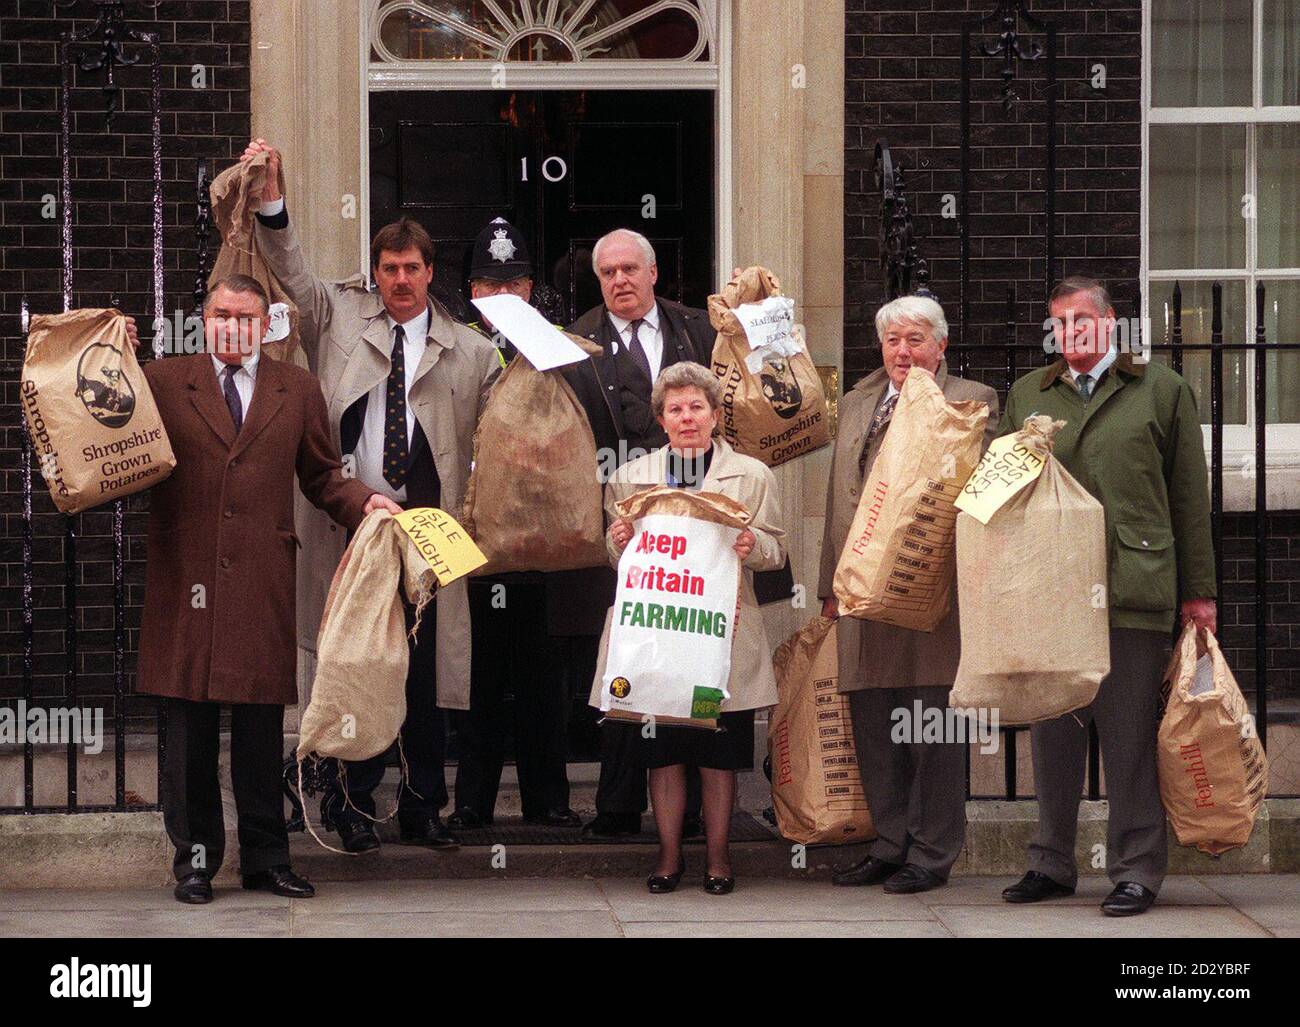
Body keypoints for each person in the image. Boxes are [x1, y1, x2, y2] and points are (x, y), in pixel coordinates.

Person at [242, 139, 500, 854]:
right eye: (388, 269)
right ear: (377, 274)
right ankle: (351, 806)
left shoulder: (471, 349)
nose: (400, 281)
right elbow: (289, 266)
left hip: (427, 535)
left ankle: (422, 807)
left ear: (430, 273)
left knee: (419, 674)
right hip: (349, 526)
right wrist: (271, 198)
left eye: (411, 269)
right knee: (355, 662)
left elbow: (497, 442)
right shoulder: (337, 318)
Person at [135, 275, 397, 904]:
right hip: (187, 581)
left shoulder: (297, 388)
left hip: (260, 580)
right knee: (190, 733)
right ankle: (194, 864)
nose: (232, 327)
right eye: (221, 315)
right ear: (205, 319)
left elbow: (323, 476)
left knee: (258, 731)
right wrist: (109, 346)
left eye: (245, 318)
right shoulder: (163, 380)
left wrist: (368, 503)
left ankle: (267, 860)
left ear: (265, 325)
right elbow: (106, 427)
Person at [999, 276, 1216, 916]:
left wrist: (1198, 591)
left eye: (1081, 320)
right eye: (1060, 323)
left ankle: (1138, 869)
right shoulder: (1027, 395)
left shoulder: (1162, 390)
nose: (1071, 333)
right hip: (1051, 591)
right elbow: (1000, 492)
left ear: (1111, 323)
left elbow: (1189, 500)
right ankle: (1050, 861)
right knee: (1054, 735)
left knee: (1127, 738)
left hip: (1133, 587)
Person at [818, 294, 998, 895]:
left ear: (941, 345)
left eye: (916, 339)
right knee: (874, 720)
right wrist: (827, 589)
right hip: (860, 592)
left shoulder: (972, 401)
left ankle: (932, 850)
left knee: (932, 727)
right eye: (893, 340)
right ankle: (891, 842)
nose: (903, 351)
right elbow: (836, 503)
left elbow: (979, 497)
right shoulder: (855, 402)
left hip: (929, 591)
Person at [596, 361, 786, 894]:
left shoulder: (751, 475)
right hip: (661, 643)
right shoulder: (630, 476)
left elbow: (777, 549)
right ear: (660, 418)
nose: (687, 417)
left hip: (716, 642)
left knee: (715, 750)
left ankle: (719, 859)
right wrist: (618, 539)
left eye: (696, 406)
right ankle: (668, 856)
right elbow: (617, 559)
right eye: (675, 408)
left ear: (714, 414)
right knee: (665, 750)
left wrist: (755, 546)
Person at [561, 229, 714, 838]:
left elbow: (752, 401)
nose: (619, 280)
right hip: (621, 521)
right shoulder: (574, 343)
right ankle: (618, 806)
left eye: (629, 269)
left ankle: (698, 811)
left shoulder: (702, 330)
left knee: (700, 657)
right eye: (607, 273)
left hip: (701, 527)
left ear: (654, 273)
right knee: (627, 660)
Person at [450, 216, 578, 829]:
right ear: (472, 292)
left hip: (540, 535)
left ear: (529, 288)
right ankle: (470, 803)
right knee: (476, 677)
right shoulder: (452, 345)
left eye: (514, 284)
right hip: (472, 537)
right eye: (489, 285)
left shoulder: (556, 348)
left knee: (539, 678)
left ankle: (548, 802)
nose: (503, 296)